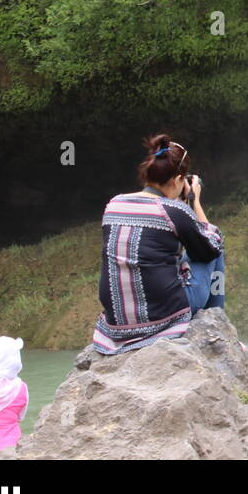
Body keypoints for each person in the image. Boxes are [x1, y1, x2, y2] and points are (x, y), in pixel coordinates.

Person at [93, 134, 225, 354]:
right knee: (215, 244)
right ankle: (217, 326)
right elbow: (210, 247)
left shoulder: (114, 204)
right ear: (177, 180)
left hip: (116, 324)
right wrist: (195, 201)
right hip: (161, 319)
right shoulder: (173, 211)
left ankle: (216, 325)